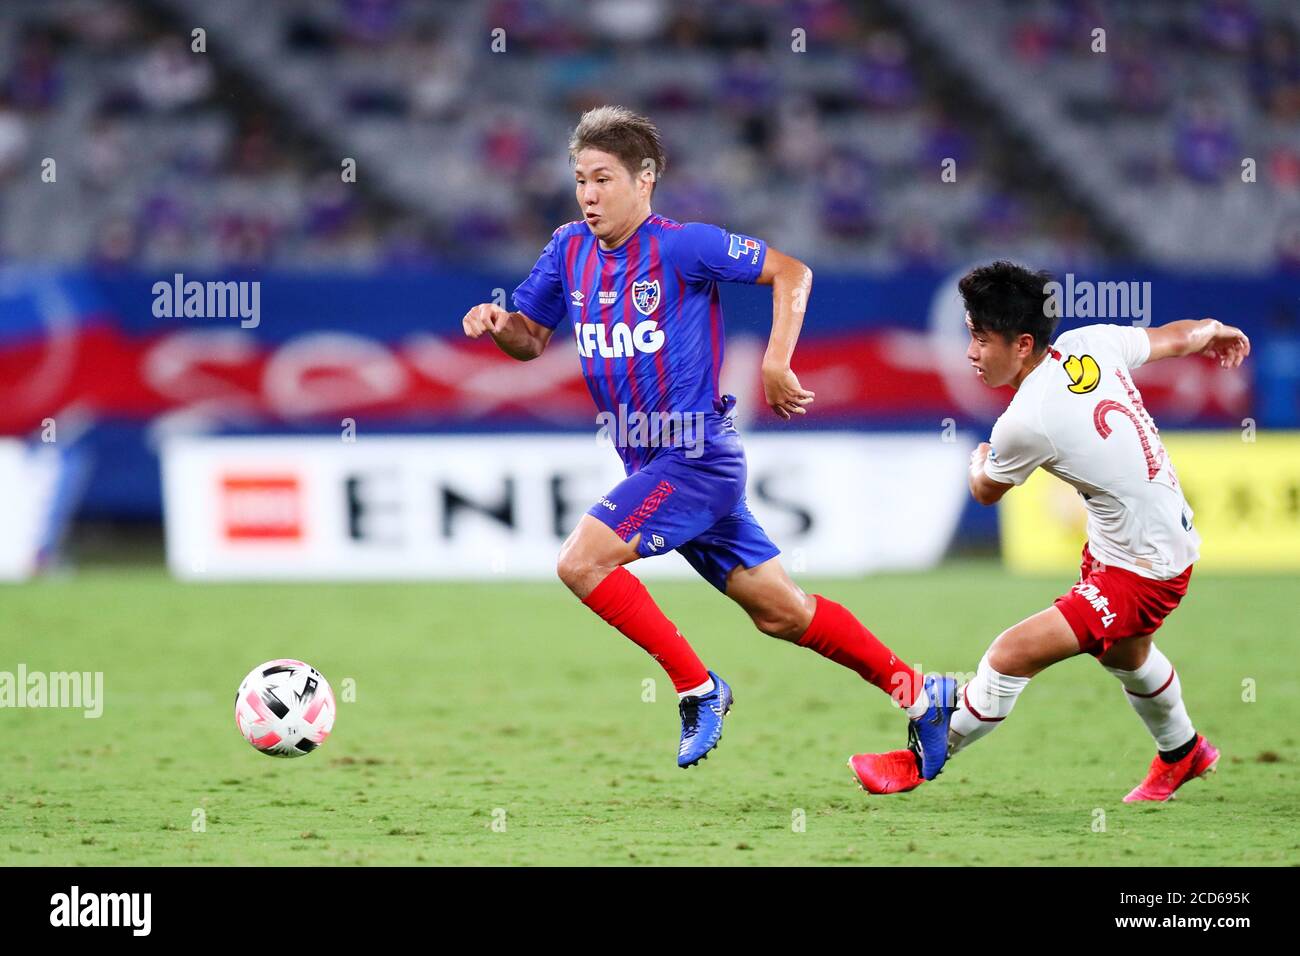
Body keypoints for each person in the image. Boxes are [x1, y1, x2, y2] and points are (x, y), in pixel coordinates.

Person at [462, 105, 954, 770]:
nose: (587, 195)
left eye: (603, 179)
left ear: (645, 182)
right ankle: (922, 697)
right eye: (579, 179)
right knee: (782, 613)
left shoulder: (683, 246)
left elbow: (792, 272)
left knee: (581, 563)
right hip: (652, 459)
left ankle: (699, 689)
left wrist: (777, 360)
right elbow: (531, 338)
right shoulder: (567, 249)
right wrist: (500, 325)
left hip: (695, 455)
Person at [850, 260, 1250, 801]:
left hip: (1145, 567)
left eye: (979, 338)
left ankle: (923, 758)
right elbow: (1178, 337)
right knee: (1125, 656)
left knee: (1011, 654)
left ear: (1020, 343)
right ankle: (1184, 751)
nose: (969, 352)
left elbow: (985, 490)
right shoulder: (1093, 341)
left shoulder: (1025, 420)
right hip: (1138, 542)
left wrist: (980, 457)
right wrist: (1215, 329)